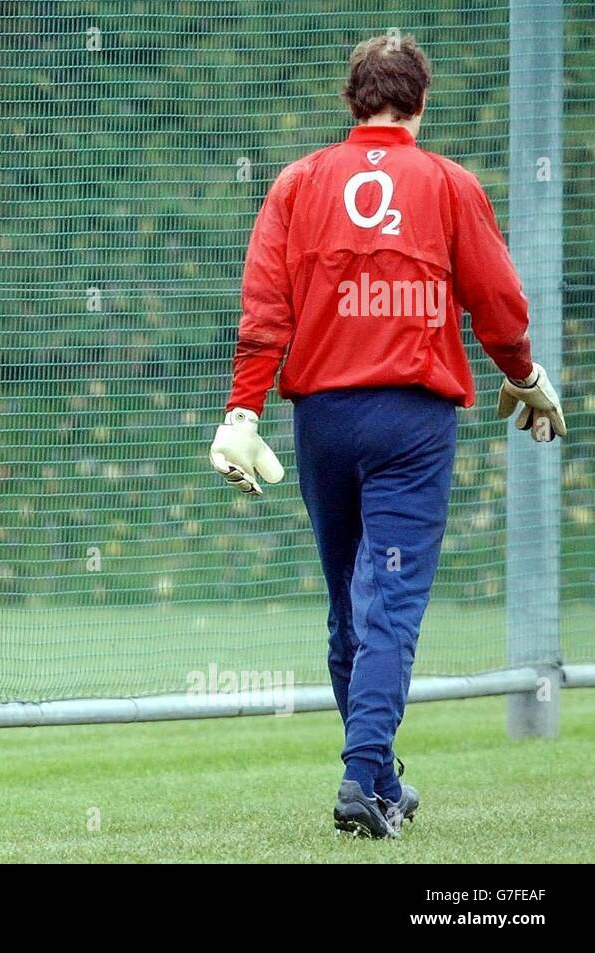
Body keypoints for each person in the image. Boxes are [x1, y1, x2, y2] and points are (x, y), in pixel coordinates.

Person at [208, 32, 568, 838]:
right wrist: (524, 371)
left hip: (324, 421)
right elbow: (499, 302)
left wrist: (242, 412)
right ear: (422, 103)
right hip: (410, 419)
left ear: (350, 101)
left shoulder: (299, 182)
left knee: (349, 603)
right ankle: (360, 777)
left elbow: (264, 312)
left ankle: (376, 774)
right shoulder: (447, 182)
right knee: (392, 601)